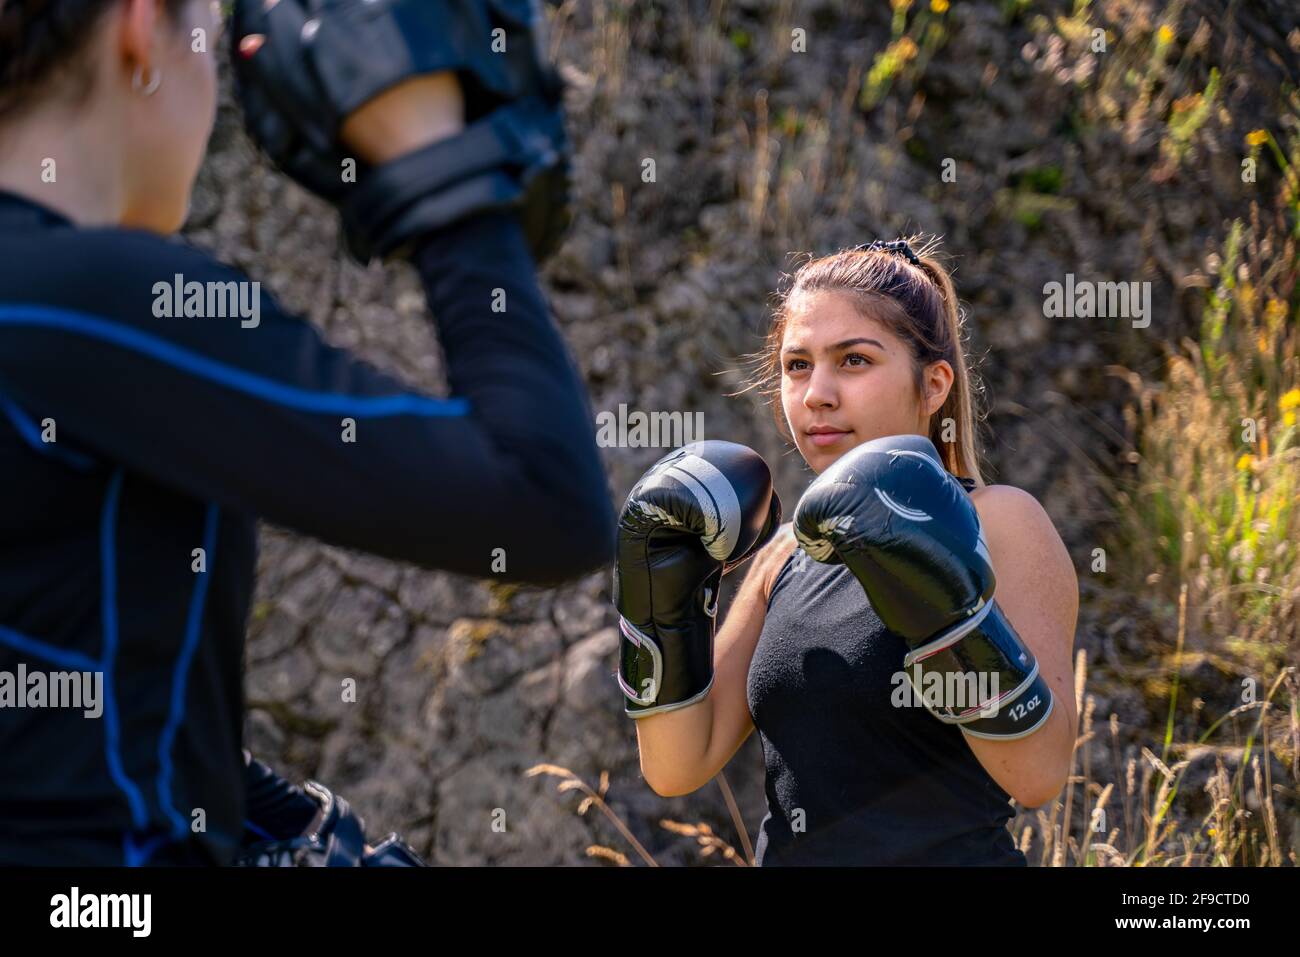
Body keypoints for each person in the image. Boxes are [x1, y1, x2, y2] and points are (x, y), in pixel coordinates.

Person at [0, 0, 614, 865]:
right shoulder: (95, 299)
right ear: (142, 30)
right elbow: (542, 500)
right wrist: (438, 172)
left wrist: (273, 818)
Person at [613, 238, 1079, 865]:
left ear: (934, 383)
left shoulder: (999, 521)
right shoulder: (781, 555)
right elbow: (677, 765)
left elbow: (1039, 774)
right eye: (797, 365)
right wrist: (655, 595)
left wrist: (949, 618)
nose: (817, 394)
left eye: (854, 360)